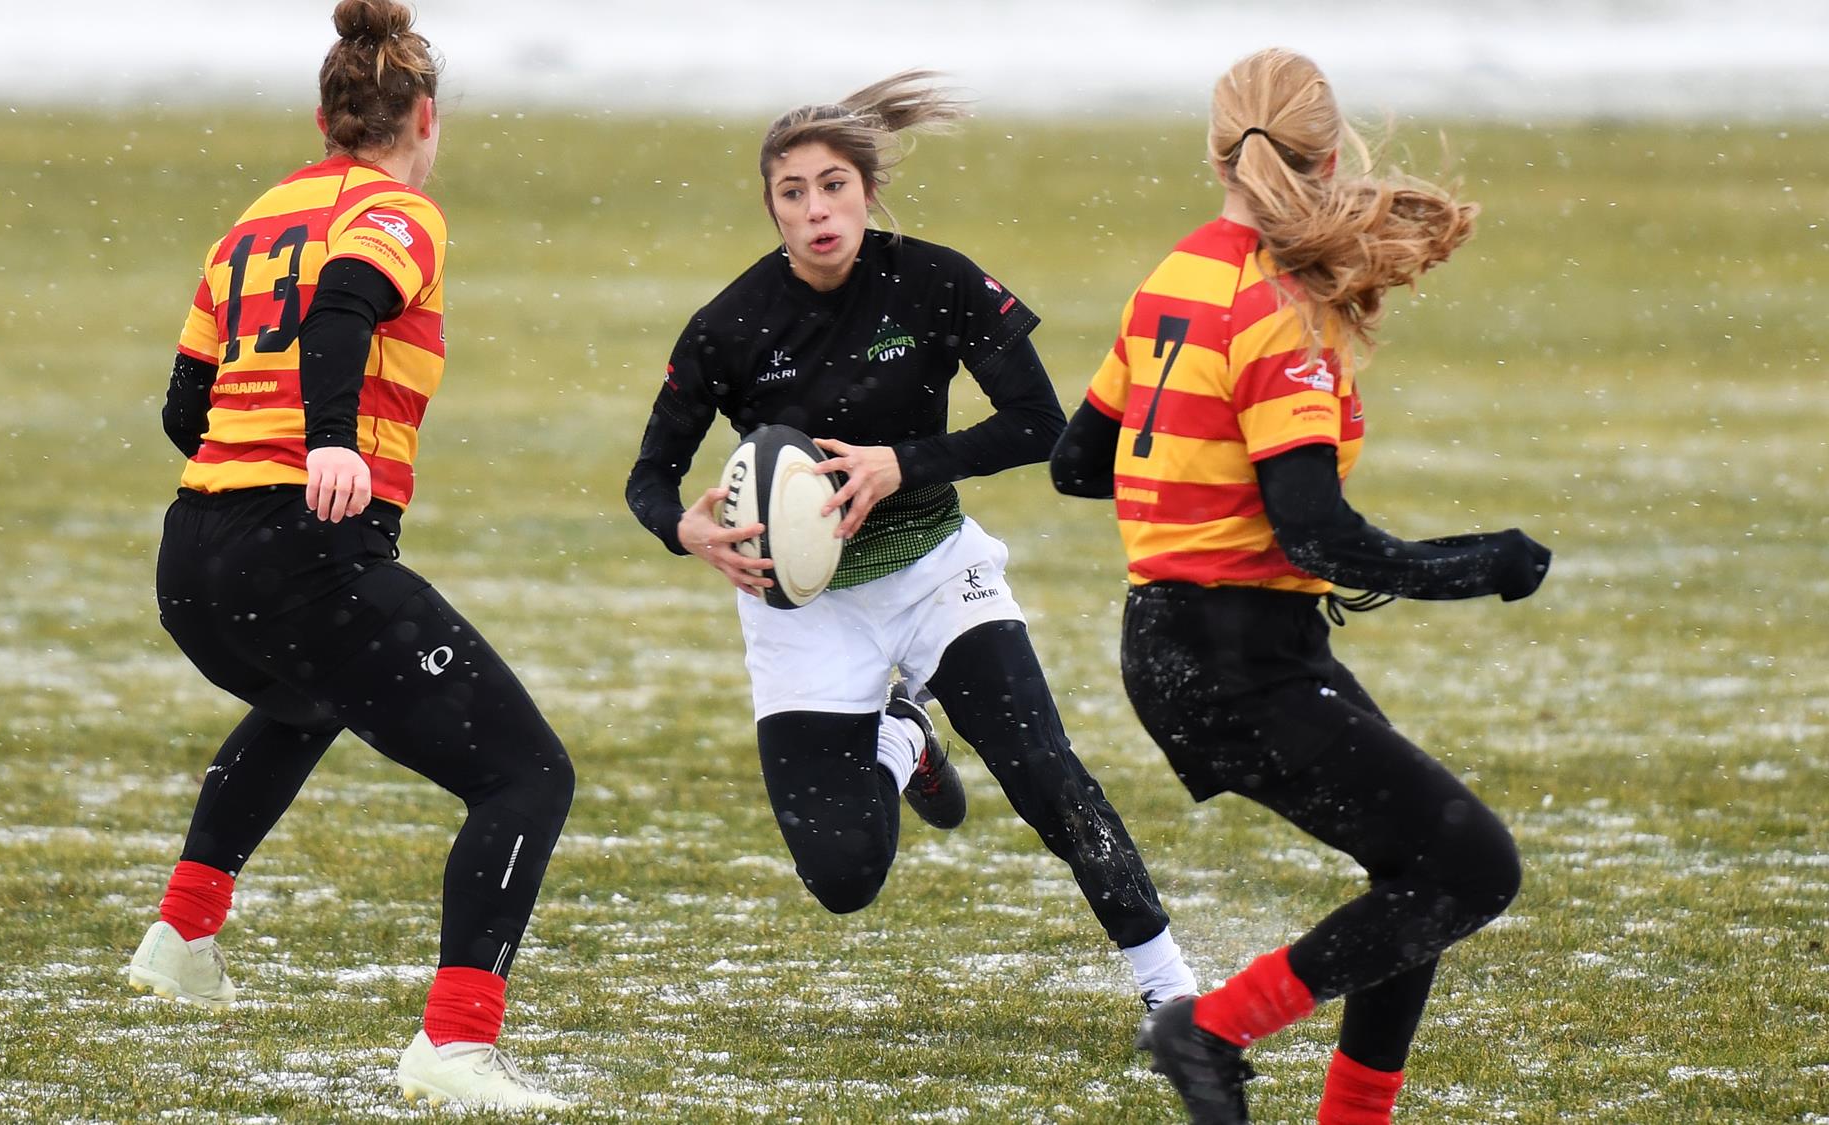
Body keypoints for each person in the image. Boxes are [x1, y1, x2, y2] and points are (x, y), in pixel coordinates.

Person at [625, 71, 1199, 1014]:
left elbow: (1036, 423)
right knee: (844, 877)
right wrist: (684, 529)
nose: (817, 210)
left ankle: (1172, 996)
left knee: (1046, 775)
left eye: (833, 185)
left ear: (866, 189)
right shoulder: (728, 327)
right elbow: (650, 476)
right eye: (793, 192)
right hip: (802, 605)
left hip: (938, 570)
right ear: (771, 207)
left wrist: (906, 462)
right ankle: (901, 736)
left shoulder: (933, 279)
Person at [1049, 48, 1549, 1125]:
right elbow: (1316, 534)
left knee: (1418, 873)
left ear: (1214, 151)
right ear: (1328, 156)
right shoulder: (1276, 314)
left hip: (1182, 644)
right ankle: (1210, 1025)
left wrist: (1193, 485)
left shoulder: (1176, 275)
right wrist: (1477, 565)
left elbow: (1076, 462)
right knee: (1472, 869)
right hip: (1234, 661)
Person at [125, 0, 571, 1109]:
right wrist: (326, 445)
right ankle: (454, 1046)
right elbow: (341, 311)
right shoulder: (398, 212)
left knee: (302, 702)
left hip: (193, 556)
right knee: (525, 776)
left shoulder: (251, 220)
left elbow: (188, 404)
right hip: (301, 544)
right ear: (424, 116)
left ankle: (180, 940)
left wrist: (264, 446)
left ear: (320, 116)